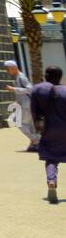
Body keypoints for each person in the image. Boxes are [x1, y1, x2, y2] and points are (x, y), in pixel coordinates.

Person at [30, 65, 66, 204]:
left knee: (51, 158)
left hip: (49, 129)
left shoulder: (37, 89)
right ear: (60, 76)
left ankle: (51, 181)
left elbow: (34, 112)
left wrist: (38, 129)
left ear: (46, 76)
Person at [5, 60, 38, 151]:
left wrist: (13, 89)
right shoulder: (18, 77)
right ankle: (35, 144)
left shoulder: (21, 77)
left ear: (13, 68)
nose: (7, 71)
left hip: (26, 105)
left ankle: (36, 140)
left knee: (18, 122)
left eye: (8, 69)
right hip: (24, 104)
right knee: (30, 125)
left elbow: (29, 89)